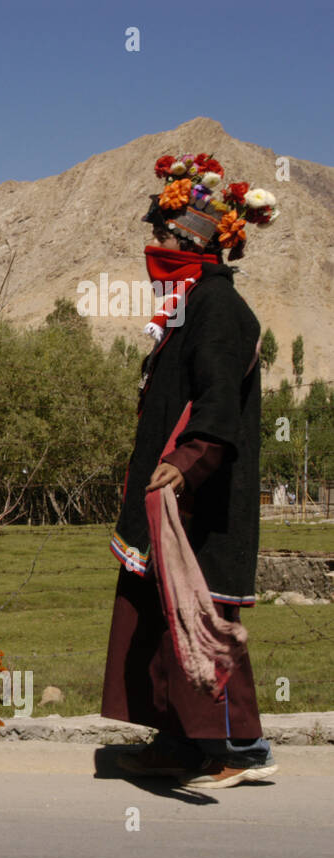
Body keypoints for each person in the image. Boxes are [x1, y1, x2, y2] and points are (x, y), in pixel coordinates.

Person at [104, 152, 278, 788]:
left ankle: (239, 749)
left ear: (193, 242)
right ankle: (180, 740)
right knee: (162, 618)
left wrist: (185, 460)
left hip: (206, 501)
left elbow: (216, 404)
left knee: (205, 620)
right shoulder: (186, 308)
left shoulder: (216, 309)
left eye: (164, 235)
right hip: (174, 499)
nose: (155, 246)